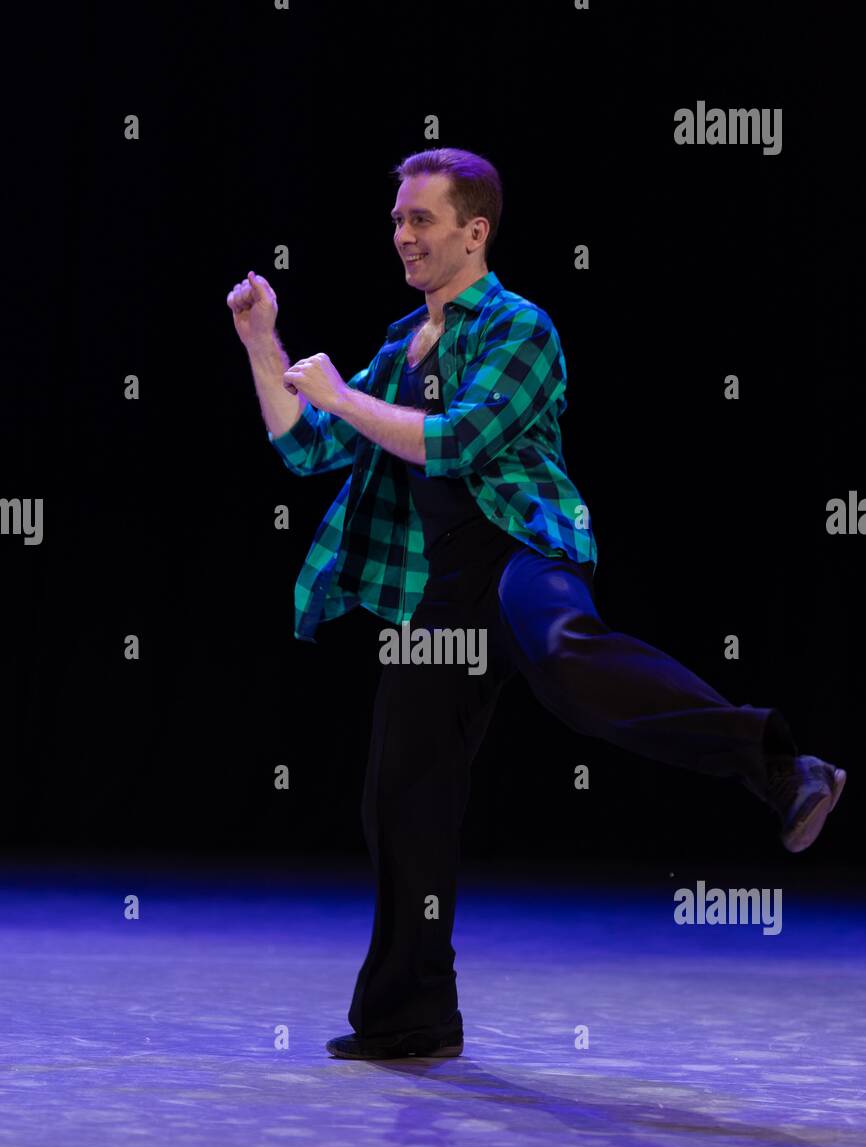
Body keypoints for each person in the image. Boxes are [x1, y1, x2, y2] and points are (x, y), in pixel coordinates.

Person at [227, 147, 846, 1062]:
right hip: (441, 587)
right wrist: (261, 345)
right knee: (402, 788)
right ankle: (411, 1015)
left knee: (565, 657)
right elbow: (309, 448)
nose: (403, 234)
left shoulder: (522, 327)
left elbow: (456, 440)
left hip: (521, 551)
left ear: (474, 232)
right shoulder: (402, 343)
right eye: (397, 219)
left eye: (422, 219)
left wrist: (345, 396)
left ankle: (782, 765)